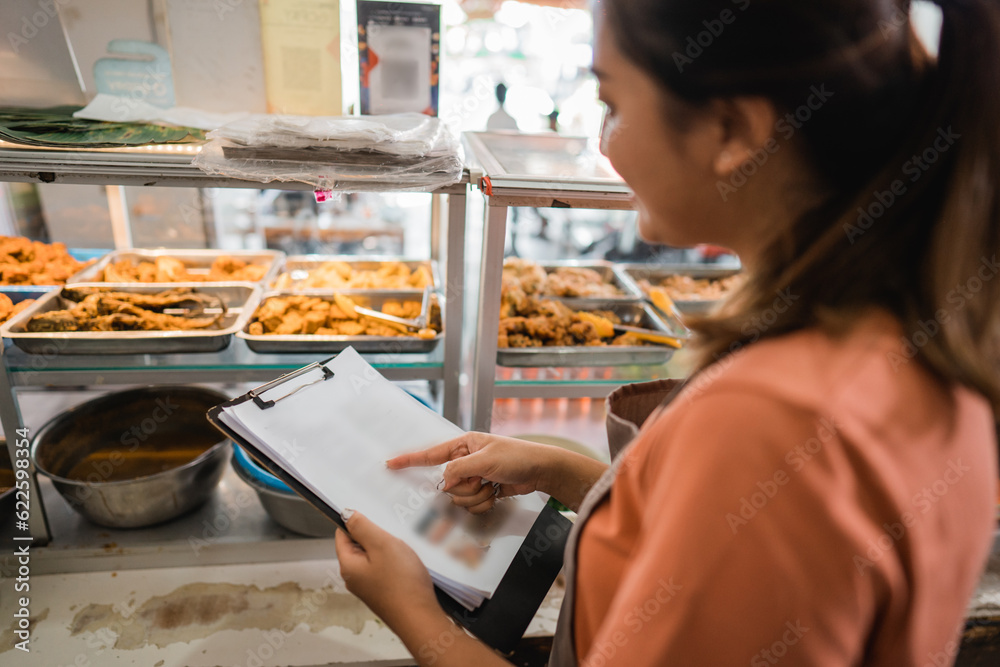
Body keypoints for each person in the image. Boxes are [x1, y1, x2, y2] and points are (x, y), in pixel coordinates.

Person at [334, 0, 1000, 664]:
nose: (603, 141)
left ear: (732, 130)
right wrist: (560, 470)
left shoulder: (769, 424)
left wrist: (415, 613)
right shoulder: (931, 340)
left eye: (613, 101)